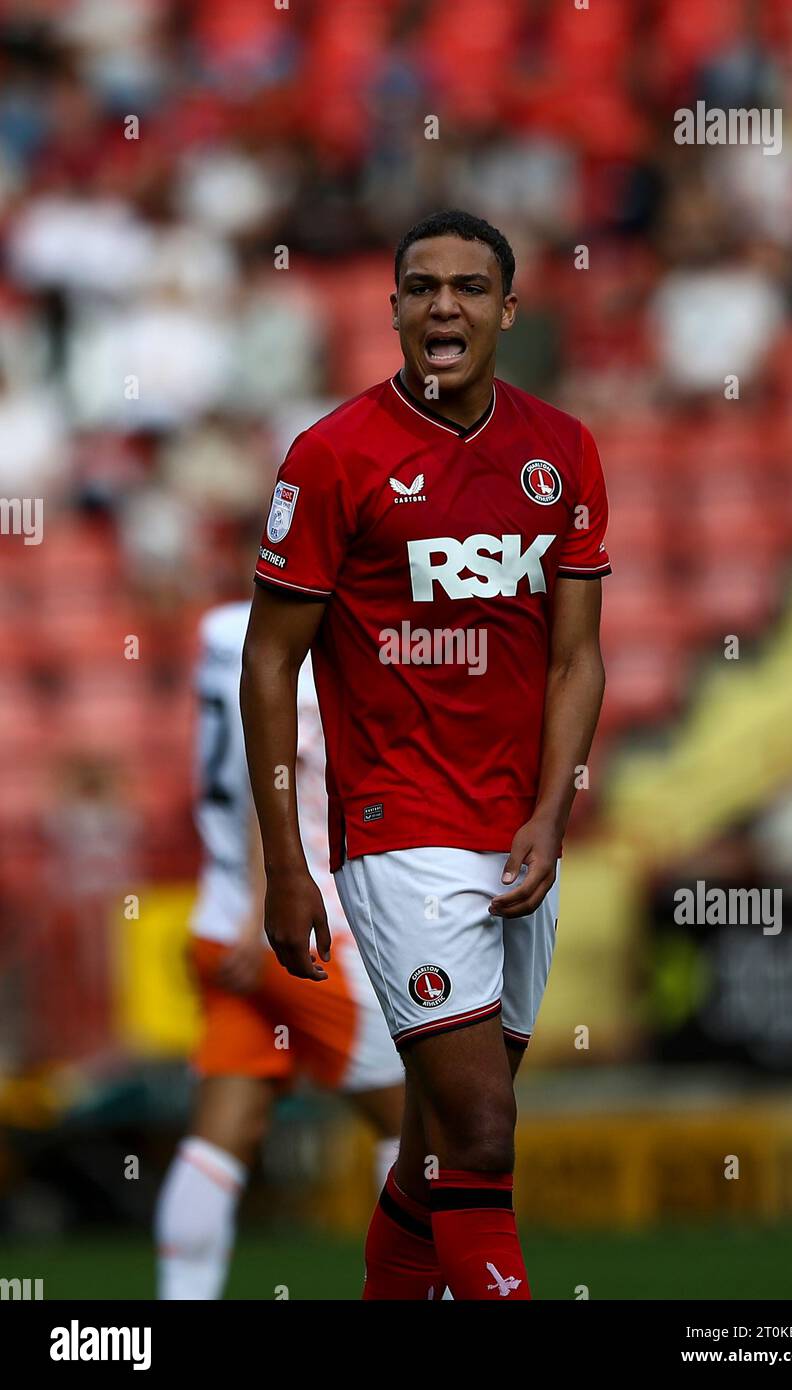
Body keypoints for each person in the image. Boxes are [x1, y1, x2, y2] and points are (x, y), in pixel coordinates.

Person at [241, 209, 611, 1301]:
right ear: (392, 308)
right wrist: (286, 864)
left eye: (464, 286)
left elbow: (575, 660)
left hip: (516, 843)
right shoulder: (331, 457)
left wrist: (550, 815)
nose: (440, 305)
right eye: (418, 287)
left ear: (506, 307)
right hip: (398, 830)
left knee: (435, 1149)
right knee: (486, 1132)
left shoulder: (563, 450)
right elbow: (270, 666)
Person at [155, 600, 404, 1300]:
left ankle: (182, 1294)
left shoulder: (219, 635)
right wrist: (269, 902)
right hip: (295, 929)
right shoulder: (289, 643)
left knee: (221, 1134)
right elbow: (273, 780)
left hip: (218, 918)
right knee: (425, 1121)